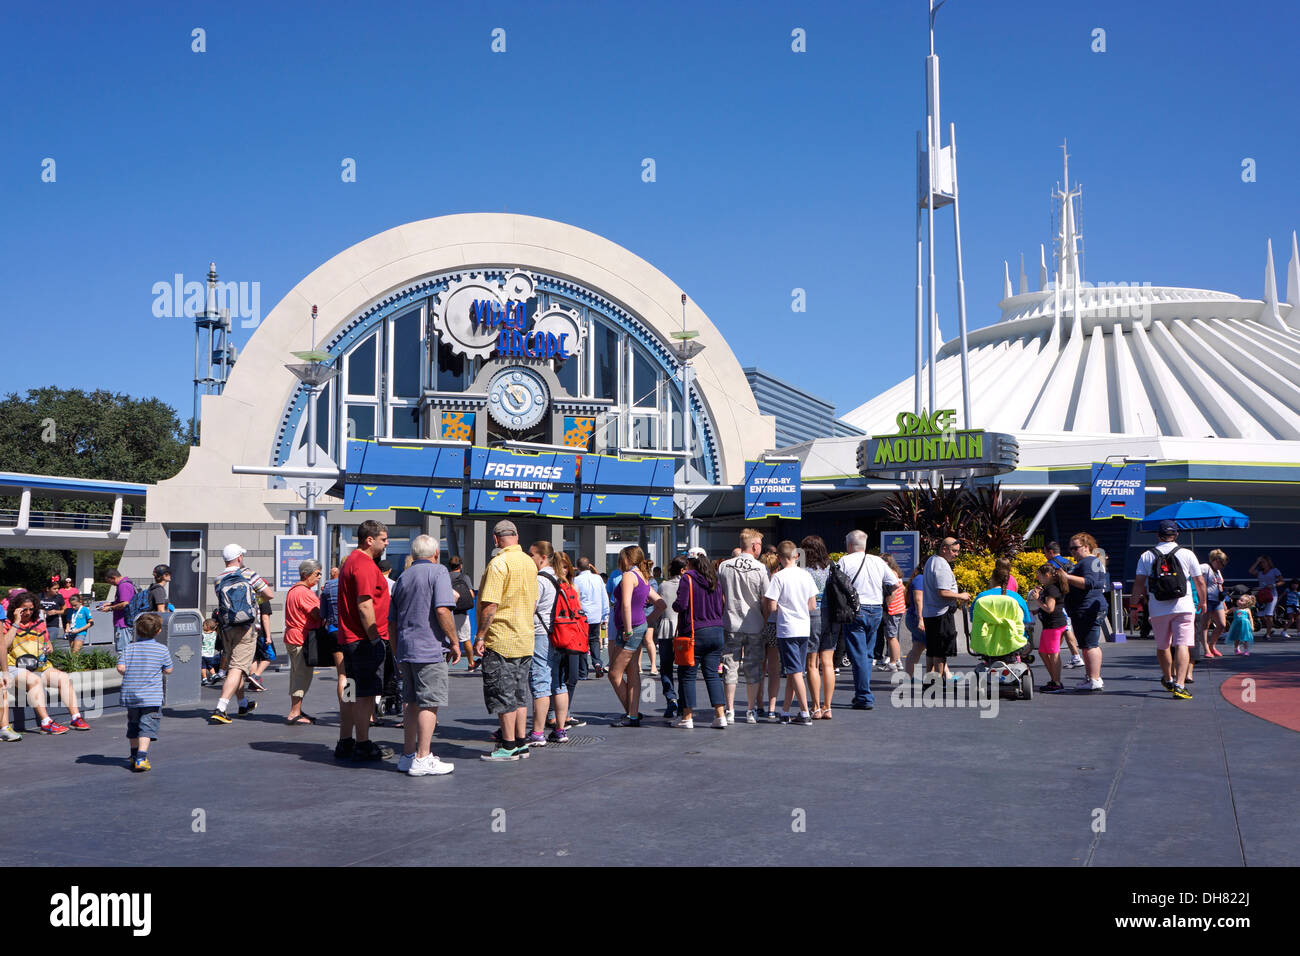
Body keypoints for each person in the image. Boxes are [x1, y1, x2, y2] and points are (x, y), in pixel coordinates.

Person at [389, 535, 459, 775]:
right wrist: (454, 641)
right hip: (429, 648)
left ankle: (408, 755)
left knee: (410, 702)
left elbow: (391, 621)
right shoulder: (438, 572)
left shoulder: (402, 577)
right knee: (429, 702)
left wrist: (397, 652)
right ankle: (423, 756)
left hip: (407, 648)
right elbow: (442, 609)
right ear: (436, 553)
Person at [475, 520, 539, 761]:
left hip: (502, 638)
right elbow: (533, 603)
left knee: (502, 694)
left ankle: (508, 744)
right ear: (516, 536)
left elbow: (491, 605)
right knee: (519, 693)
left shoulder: (498, 563)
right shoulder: (529, 563)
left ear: (495, 539)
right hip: (525, 637)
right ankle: (521, 742)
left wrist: (480, 635)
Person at [333, 522, 394, 761]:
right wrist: (374, 638)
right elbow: (364, 604)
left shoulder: (350, 561)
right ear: (370, 540)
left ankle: (345, 740)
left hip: (349, 639)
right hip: (363, 641)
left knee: (350, 689)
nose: (386, 543)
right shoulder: (365, 565)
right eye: (384, 539)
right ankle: (362, 743)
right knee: (365, 694)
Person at [1130, 520, 1203, 700]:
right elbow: (1199, 581)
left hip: (1158, 608)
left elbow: (1138, 584)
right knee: (1182, 645)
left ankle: (1168, 678)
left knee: (1163, 646)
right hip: (1184, 606)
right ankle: (1180, 684)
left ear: (1158, 535)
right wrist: (1203, 602)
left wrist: (1133, 608)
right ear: (1176, 535)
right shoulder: (1187, 554)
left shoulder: (1146, 556)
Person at [3, 593, 92, 733]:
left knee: (63, 677)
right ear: (16, 609)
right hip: (15, 666)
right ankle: (46, 722)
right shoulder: (8, 623)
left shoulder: (38, 623)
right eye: (24, 609)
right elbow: (4, 644)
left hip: (38, 665)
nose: (28, 612)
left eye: (31, 609)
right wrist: (16, 622)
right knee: (34, 680)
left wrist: (48, 646)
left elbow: (46, 642)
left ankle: (75, 718)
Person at [208, 544, 275, 725]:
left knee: (234, 666)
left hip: (227, 628)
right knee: (238, 667)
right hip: (246, 628)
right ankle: (221, 708)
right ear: (239, 558)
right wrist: (255, 600)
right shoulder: (249, 574)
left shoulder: (218, 579)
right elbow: (269, 594)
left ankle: (242, 704)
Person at [837, 530, 900, 710]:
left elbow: (835, 585)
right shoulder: (878, 561)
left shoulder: (844, 561)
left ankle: (864, 695)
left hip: (856, 610)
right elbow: (894, 582)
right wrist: (887, 600)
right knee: (867, 654)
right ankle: (862, 694)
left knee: (858, 654)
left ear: (849, 545)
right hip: (876, 609)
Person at [607, 545, 666, 727]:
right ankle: (632, 713)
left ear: (627, 559)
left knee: (614, 674)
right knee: (632, 671)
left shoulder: (628, 576)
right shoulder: (644, 577)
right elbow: (661, 604)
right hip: (637, 626)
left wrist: (628, 628)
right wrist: (646, 621)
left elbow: (624, 604)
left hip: (629, 629)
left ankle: (631, 713)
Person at [763, 540, 818, 725]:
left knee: (794, 672)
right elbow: (812, 605)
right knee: (796, 670)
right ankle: (786, 710)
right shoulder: (806, 575)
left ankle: (804, 712)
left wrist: (784, 609)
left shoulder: (779, 577)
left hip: (787, 628)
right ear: (796, 556)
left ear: (779, 558)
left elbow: (771, 605)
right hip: (804, 627)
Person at [672, 551, 728, 729]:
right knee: (712, 674)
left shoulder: (687, 579)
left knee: (688, 675)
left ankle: (687, 717)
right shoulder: (715, 579)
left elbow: (681, 605)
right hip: (717, 630)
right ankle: (720, 715)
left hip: (695, 632)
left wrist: (674, 604)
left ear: (689, 562)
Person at [717, 529, 769, 722]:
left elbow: (719, 594)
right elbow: (766, 599)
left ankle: (729, 709)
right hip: (755, 624)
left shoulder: (724, 566)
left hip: (731, 622)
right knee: (753, 668)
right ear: (755, 546)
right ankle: (750, 710)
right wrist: (765, 619)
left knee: (730, 666)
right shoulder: (760, 568)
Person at [115, 612, 173, 772]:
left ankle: (133, 755)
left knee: (133, 724)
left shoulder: (129, 647)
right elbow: (168, 670)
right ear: (158, 631)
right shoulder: (162, 649)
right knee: (147, 726)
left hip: (131, 694)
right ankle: (141, 757)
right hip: (151, 697)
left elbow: (120, 667)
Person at [525, 541, 568, 748]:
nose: (529, 558)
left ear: (542, 557)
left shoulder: (540, 580)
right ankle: (560, 729)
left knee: (540, 681)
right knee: (558, 682)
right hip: (560, 634)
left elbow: (530, 609)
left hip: (541, 634)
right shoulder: (560, 578)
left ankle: (538, 732)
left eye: (531, 555)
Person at [1058, 533, 1109, 693]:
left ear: (1086, 547)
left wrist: (1066, 577)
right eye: (1070, 548)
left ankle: (1094, 678)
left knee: (1090, 645)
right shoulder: (1090, 561)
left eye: (1075, 548)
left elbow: (1091, 582)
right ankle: (1091, 677)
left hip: (1088, 608)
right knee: (1087, 645)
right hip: (1085, 608)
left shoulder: (1089, 561)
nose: (1072, 551)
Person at [921, 538, 970, 684]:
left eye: (958, 551)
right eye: (954, 551)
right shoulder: (941, 565)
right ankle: (936, 682)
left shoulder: (931, 560)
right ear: (944, 549)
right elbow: (943, 592)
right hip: (941, 613)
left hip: (931, 612)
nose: (956, 554)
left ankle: (929, 680)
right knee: (940, 651)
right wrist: (961, 595)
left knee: (932, 649)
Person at [283, 559, 324, 725]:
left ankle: (297, 709)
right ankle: (294, 712)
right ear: (306, 574)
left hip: (292, 636)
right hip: (301, 638)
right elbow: (318, 614)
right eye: (317, 574)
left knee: (297, 674)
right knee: (302, 676)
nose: (319, 577)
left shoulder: (293, 590)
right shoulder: (305, 593)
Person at [799, 535, 835, 718]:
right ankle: (828, 706)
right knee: (828, 662)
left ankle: (816, 706)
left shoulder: (804, 570)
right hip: (831, 615)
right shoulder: (831, 566)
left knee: (812, 664)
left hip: (812, 615)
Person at [1028, 564, 1068, 692]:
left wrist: (1037, 600)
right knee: (1043, 652)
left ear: (1047, 575)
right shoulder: (1049, 588)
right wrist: (1038, 605)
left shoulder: (1051, 589)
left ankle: (1056, 682)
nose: (1037, 577)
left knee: (1053, 653)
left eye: (1039, 575)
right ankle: (1054, 679)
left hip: (1054, 625)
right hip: (1050, 625)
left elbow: (1050, 608)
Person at [654, 557, 685, 721]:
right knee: (683, 668)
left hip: (666, 629)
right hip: (682, 629)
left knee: (665, 667)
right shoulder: (687, 584)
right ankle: (682, 703)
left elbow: (658, 608)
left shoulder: (663, 585)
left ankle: (670, 698)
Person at [1045, 542, 1085, 668]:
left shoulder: (1050, 565)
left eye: (1045, 552)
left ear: (1050, 552)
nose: (1044, 555)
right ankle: (1072, 656)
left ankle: (1076, 656)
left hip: (1058, 601)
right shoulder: (1069, 562)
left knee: (1066, 628)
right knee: (1065, 627)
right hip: (1070, 598)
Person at [573, 556, 610, 678]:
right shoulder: (598, 578)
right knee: (594, 639)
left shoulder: (576, 580)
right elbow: (604, 597)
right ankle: (597, 662)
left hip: (583, 616)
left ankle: (583, 672)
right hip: (596, 615)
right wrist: (605, 614)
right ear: (589, 566)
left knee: (582, 643)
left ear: (578, 567)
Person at [759, 549, 782, 719]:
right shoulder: (780, 580)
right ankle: (772, 707)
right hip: (775, 626)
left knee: (759, 668)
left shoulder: (759, 580)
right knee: (774, 669)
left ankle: (758, 703)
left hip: (758, 627)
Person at [447, 555, 478, 670]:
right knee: (466, 639)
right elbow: (471, 595)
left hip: (448, 613)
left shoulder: (445, 577)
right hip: (462, 613)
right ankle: (471, 663)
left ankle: (444, 664)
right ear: (461, 565)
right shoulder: (464, 577)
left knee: (447, 639)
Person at [878, 553, 907, 671]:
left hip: (893, 609)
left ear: (886, 563)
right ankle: (897, 660)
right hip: (898, 608)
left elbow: (894, 591)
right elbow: (903, 589)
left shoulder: (890, 574)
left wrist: (888, 604)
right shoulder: (896, 574)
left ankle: (893, 662)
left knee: (891, 636)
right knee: (892, 635)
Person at [100, 570, 137, 659]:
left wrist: (110, 608)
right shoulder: (127, 583)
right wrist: (111, 603)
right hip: (125, 621)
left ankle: (124, 670)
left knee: (122, 650)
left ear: (113, 578)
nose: (110, 584)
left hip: (123, 623)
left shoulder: (123, 585)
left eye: (109, 581)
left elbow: (125, 604)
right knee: (125, 649)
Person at [1249, 556, 1283, 640]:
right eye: (1261, 563)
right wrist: (1257, 561)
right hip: (1262, 594)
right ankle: (1269, 628)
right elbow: (1250, 571)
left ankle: (1268, 634)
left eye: (1263, 562)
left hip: (1272, 594)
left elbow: (1282, 581)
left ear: (1268, 562)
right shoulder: (1260, 572)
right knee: (1260, 614)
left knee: (1269, 614)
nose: (1262, 564)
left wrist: (1273, 585)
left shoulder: (1274, 570)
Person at [1202, 550, 1228, 657]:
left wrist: (1224, 601)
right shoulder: (1204, 567)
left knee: (1222, 624)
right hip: (1207, 599)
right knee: (1205, 625)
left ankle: (1212, 644)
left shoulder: (1217, 571)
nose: (1223, 566)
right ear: (1217, 560)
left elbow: (1219, 586)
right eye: (1222, 563)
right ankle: (1206, 648)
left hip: (1217, 600)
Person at [902, 564, 926, 679]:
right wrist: (921, 619)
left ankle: (909, 677)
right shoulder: (920, 579)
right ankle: (945, 674)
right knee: (934, 649)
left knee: (918, 647)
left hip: (914, 617)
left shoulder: (918, 578)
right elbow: (918, 599)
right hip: (917, 617)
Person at [39, 578, 67, 644]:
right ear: (47, 589)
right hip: (40, 624)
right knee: (40, 645)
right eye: (54, 589)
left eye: (58, 588)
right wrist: (41, 611)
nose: (57, 590)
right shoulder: (39, 596)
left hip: (53, 625)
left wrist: (56, 612)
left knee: (50, 645)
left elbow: (65, 610)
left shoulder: (59, 597)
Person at [200, 617, 221, 686]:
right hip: (211, 654)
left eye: (203, 625)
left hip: (203, 654)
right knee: (210, 666)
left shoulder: (202, 635)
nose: (202, 626)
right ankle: (214, 675)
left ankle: (204, 679)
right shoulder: (214, 634)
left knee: (203, 667)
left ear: (207, 626)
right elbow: (215, 628)